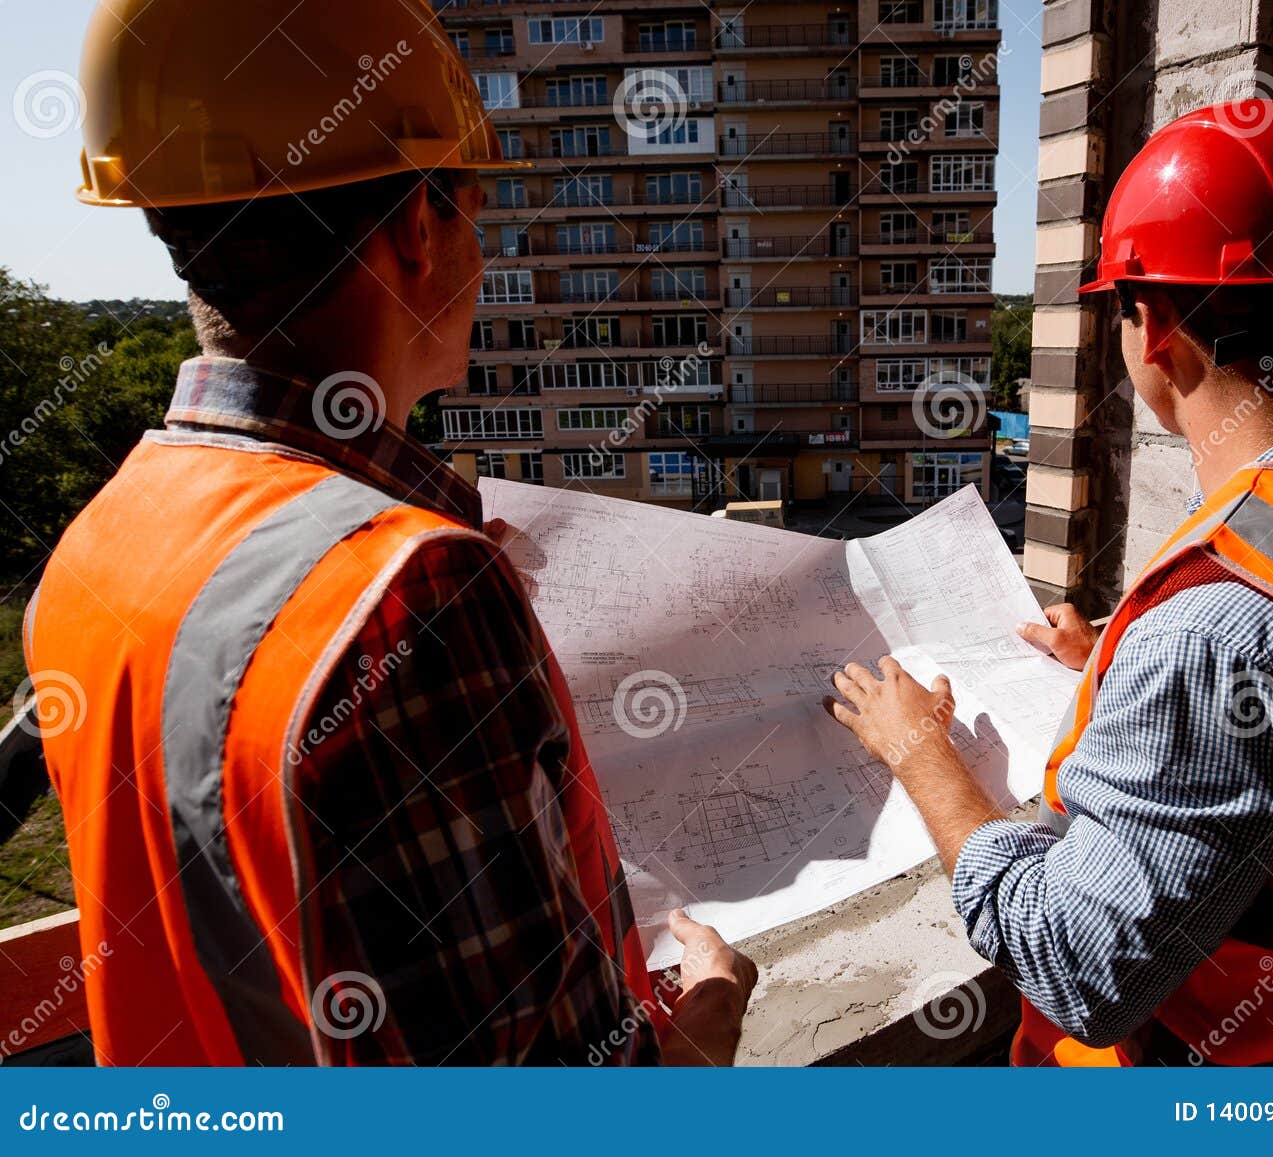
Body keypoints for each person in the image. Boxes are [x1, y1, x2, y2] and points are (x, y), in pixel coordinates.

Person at [24, 0, 755, 1066]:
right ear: (419, 226)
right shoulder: (410, 592)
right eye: (472, 207)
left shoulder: (95, 548)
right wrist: (703, 1030)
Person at [825, 100, 1273, 1066]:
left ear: (1156, 329)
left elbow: (1078, 966)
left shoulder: (1218, 631)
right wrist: (1112, 656)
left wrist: (922, 752)